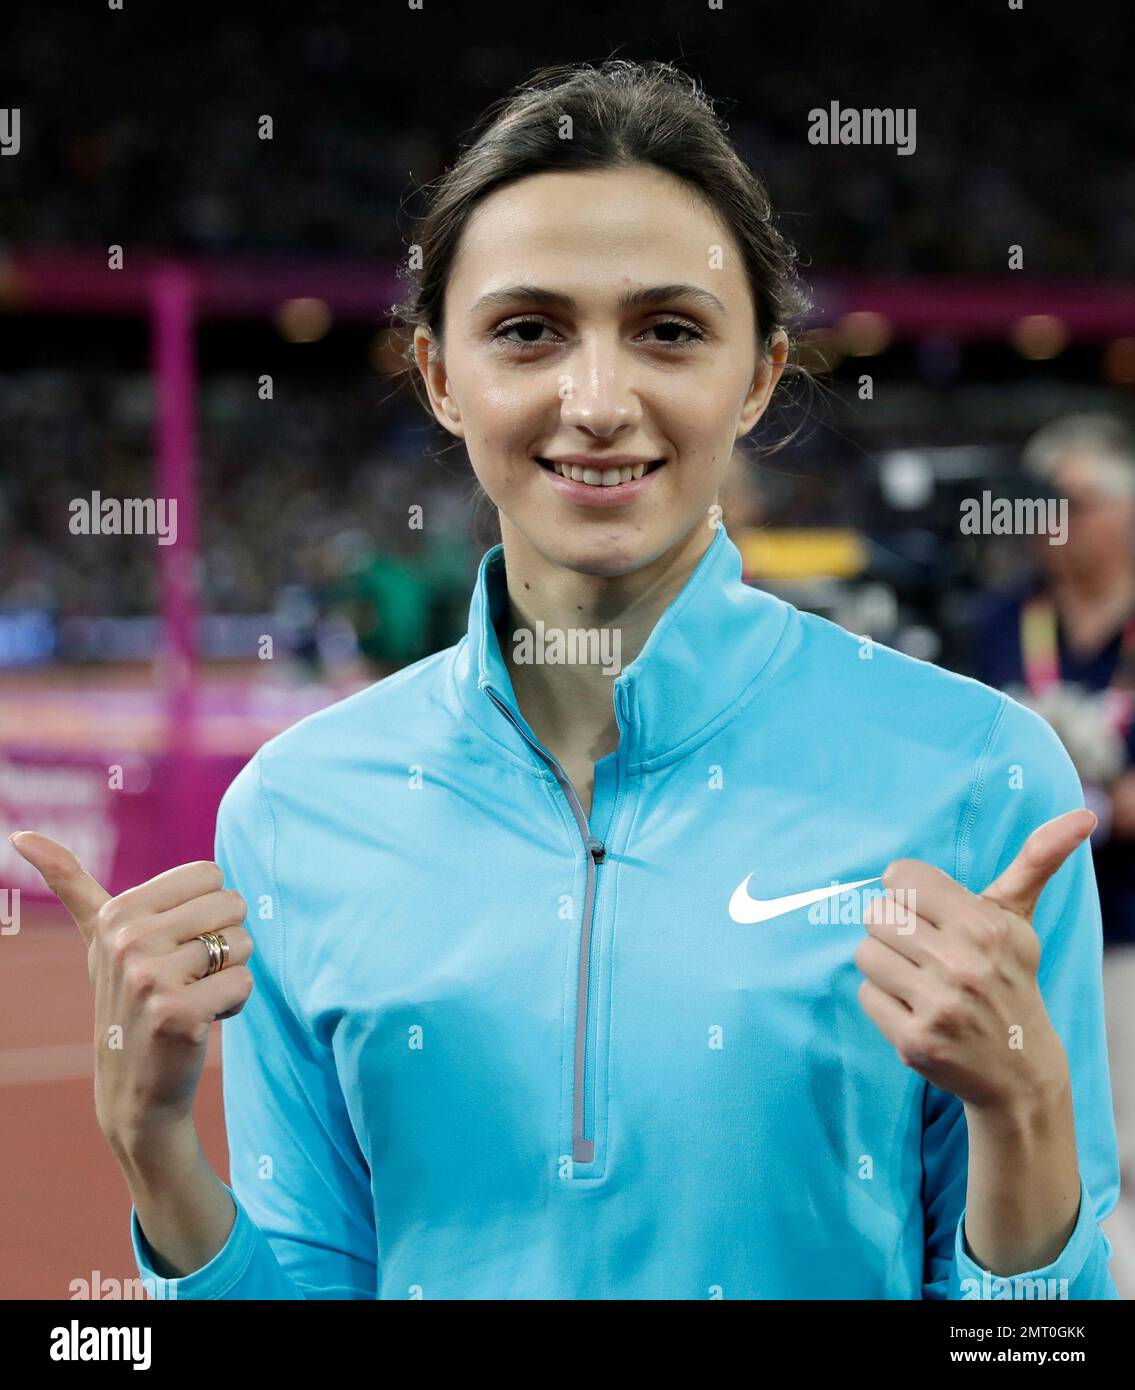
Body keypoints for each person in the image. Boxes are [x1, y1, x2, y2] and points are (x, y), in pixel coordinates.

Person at [11, 60, 1120, 1299]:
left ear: (758, 374)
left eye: (669, 330)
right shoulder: (292, 809)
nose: (596, 402)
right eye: (528, 330)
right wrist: (159, 1158)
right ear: (439, 374)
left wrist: (1023, 1114)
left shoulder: (976, 774)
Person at [975, 413, 1135, 1296]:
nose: (1047, 522)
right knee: (1037, 1128)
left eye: (1072, 503)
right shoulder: (999, 620)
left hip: (1129, 921)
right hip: (1025, 927)